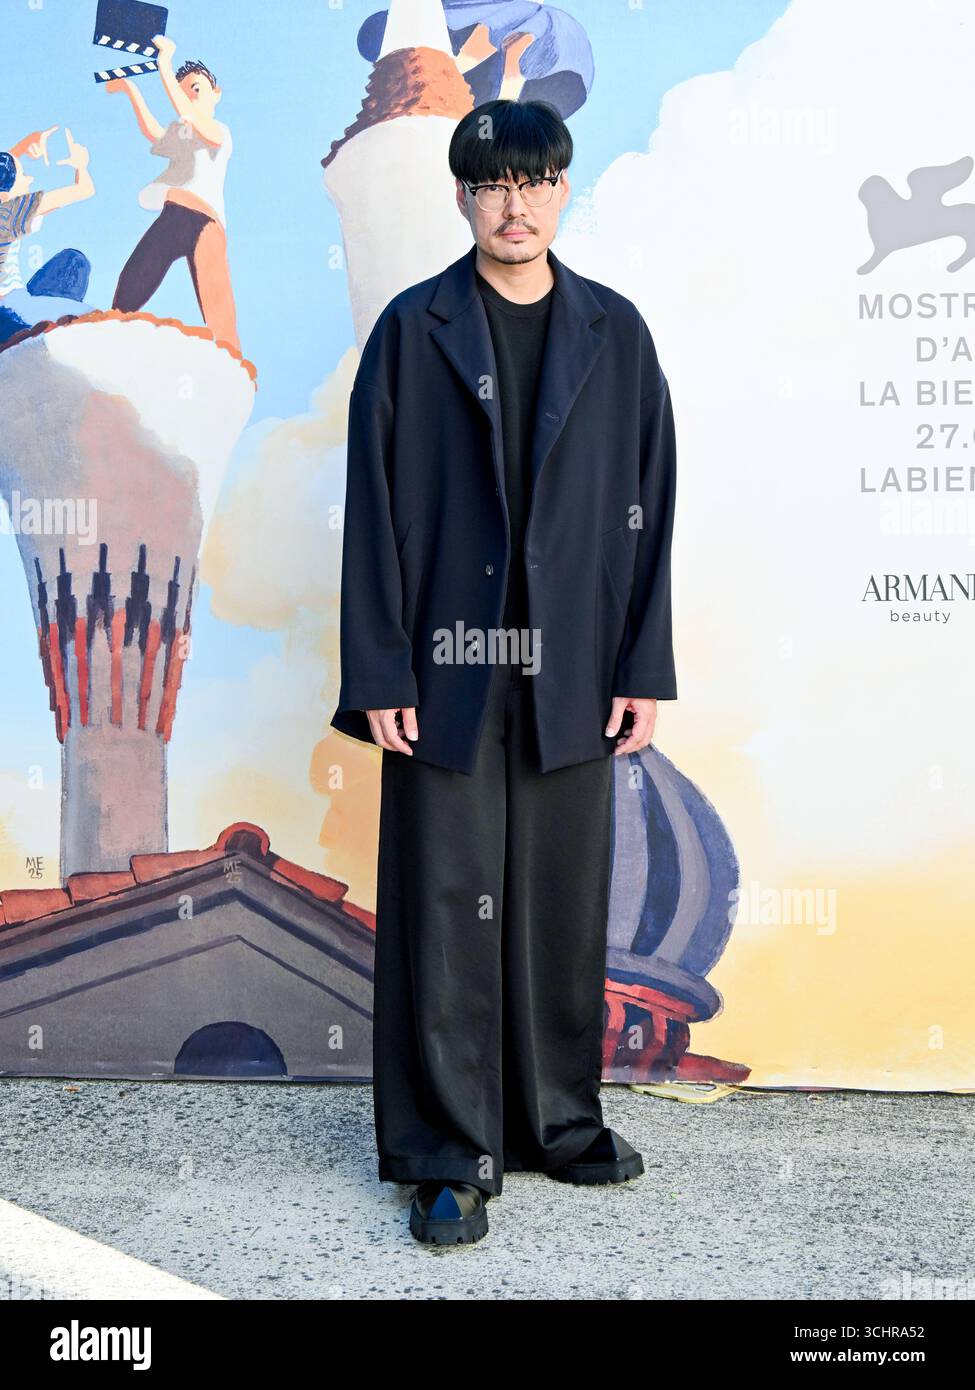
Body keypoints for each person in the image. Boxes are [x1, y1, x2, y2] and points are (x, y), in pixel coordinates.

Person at [331, 100, 678, 1245]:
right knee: (444, 906)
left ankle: (554, 1121)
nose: (514, 203)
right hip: (444, 668)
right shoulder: (411, 329)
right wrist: (381, 664)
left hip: (574, 665)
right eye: (491, 185)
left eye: (534, 181)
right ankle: (444, 1152)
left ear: (564, 188)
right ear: (463, 198)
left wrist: (643, 663)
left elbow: (654, 508)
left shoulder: (616, 334)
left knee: (560, 903)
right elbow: (370, 512)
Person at [106, 35, 239, 353]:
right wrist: (130, 90)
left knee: (216, 303)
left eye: (195, 89)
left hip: (205, 222)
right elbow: (154, 131)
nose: (187, 99)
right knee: (132, 280)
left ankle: (233, 362)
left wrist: (164, 64)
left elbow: (193, 117)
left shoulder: (219, 131)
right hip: (173, 216)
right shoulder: (184, 133)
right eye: (182, 94)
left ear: (215, 94)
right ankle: (111, 337)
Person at [0, 126, 94, 345]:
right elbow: (84, 189)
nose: (30, 179)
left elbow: (5, 172)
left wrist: (24, 146)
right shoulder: (12, 211)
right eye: (24, 175)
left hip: (12, 307)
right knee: (73, 261)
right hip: (10, 312)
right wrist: (81, 165)